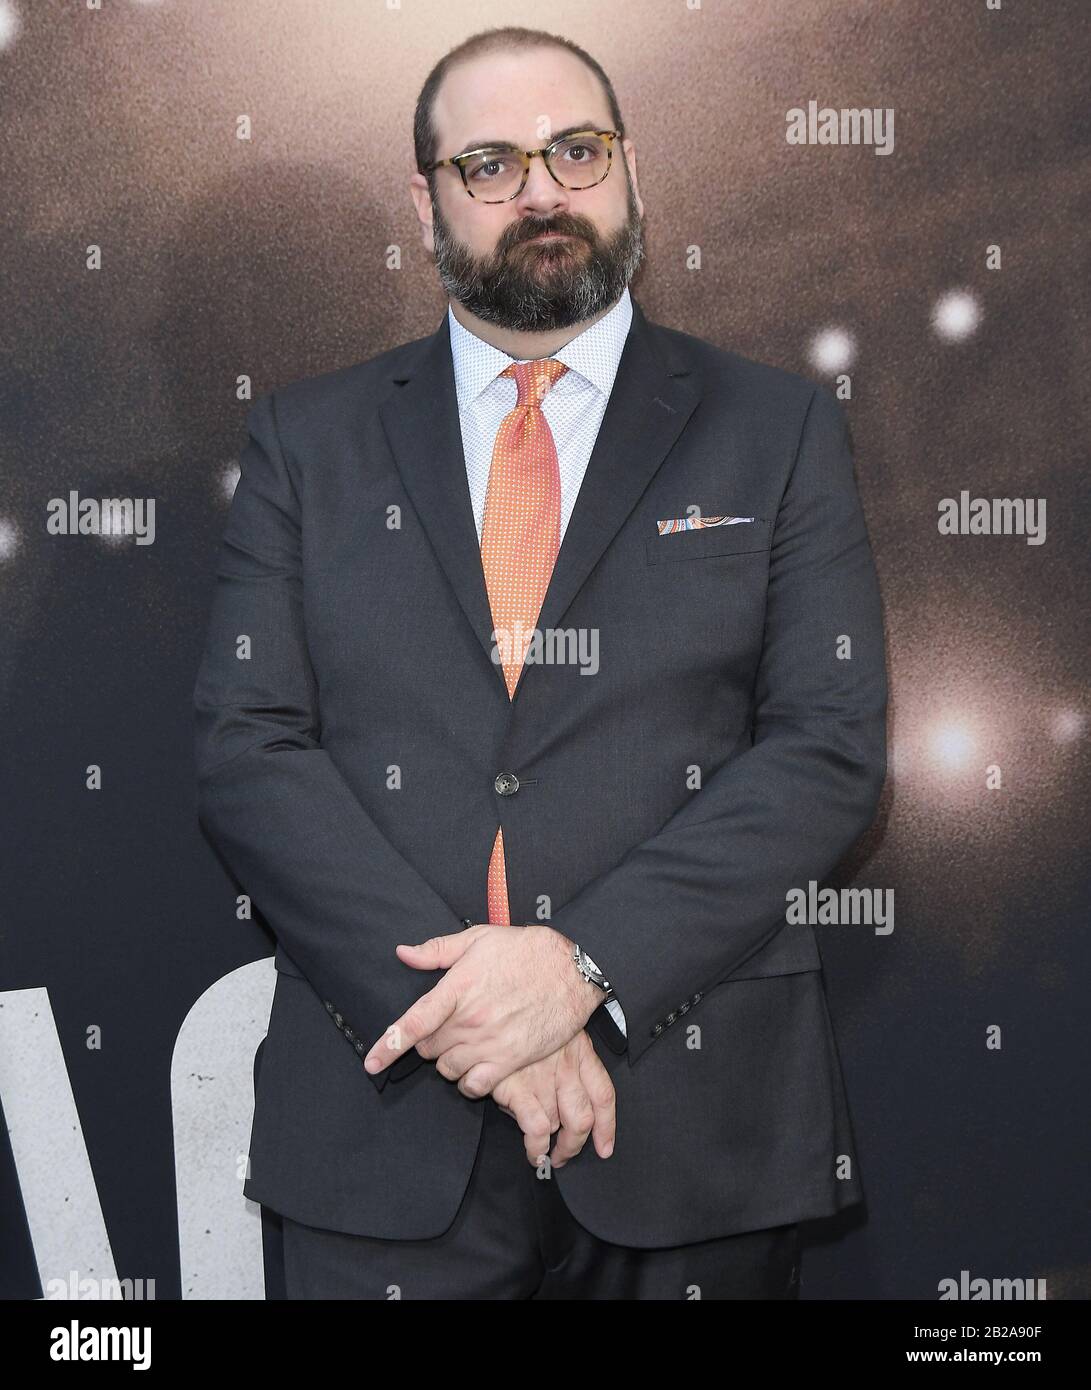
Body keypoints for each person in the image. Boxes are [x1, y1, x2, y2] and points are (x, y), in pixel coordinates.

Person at [193, 25, 888, 1300]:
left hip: (696, 1122)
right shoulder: (307, 440)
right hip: (383, 1131)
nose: (543, 193)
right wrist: (483, 1019)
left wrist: (578, 969)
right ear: (427, 199)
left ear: (632, 169)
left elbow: (826, 747)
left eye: (576, 150)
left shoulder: (773, 428)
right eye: (491, 164)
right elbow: (249, 750)